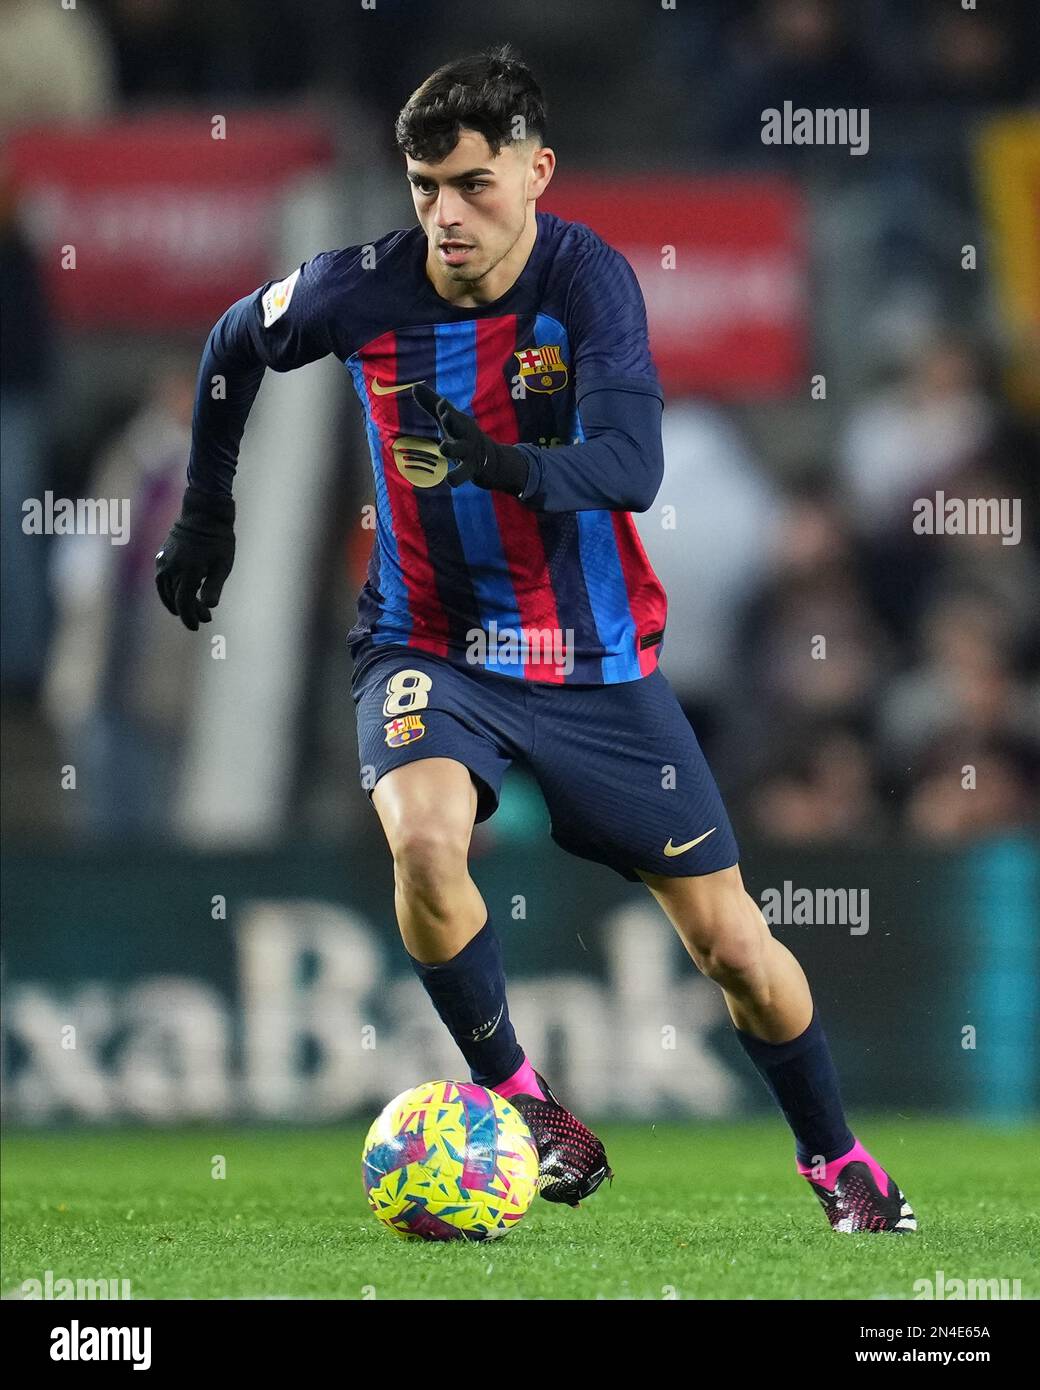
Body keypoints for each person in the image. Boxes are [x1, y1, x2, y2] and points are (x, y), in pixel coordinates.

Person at [156, 44, 914, 1233]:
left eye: (471, 185)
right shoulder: (357, 286)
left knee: (728, 944)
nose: (443, 216)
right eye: (422, 188)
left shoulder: (588, 283)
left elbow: (630, 466)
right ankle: (525, 1099)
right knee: (420, 838)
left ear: (536, 170)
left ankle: (839, 1164)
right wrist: (208, 507)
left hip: (591, 663)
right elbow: (229, 346)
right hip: (426, 642)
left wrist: (493, 461)